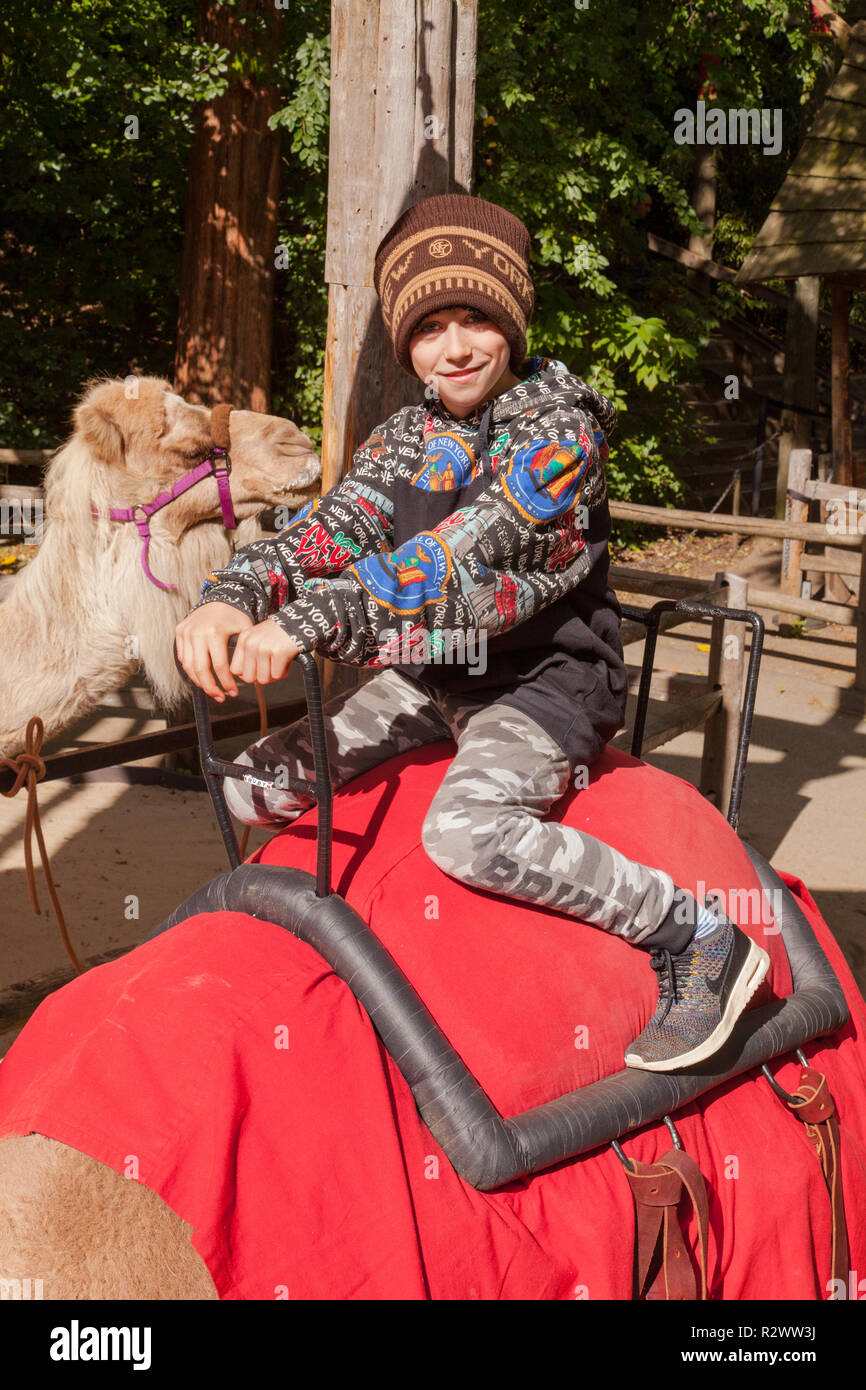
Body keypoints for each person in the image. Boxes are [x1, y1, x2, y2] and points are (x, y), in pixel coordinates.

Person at [174, 193, 769, 1071]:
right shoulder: (406, 436)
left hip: (544, 678)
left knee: (466, 832)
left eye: (476, 318)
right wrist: (232, 594)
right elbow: (329, 528)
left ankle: (698, 937)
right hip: (436, 669)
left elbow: (460, 562)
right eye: (429, 327)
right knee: (247, 786)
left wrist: (308, 620)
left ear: (512, 323)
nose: (453, 347)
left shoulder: (558, 438)